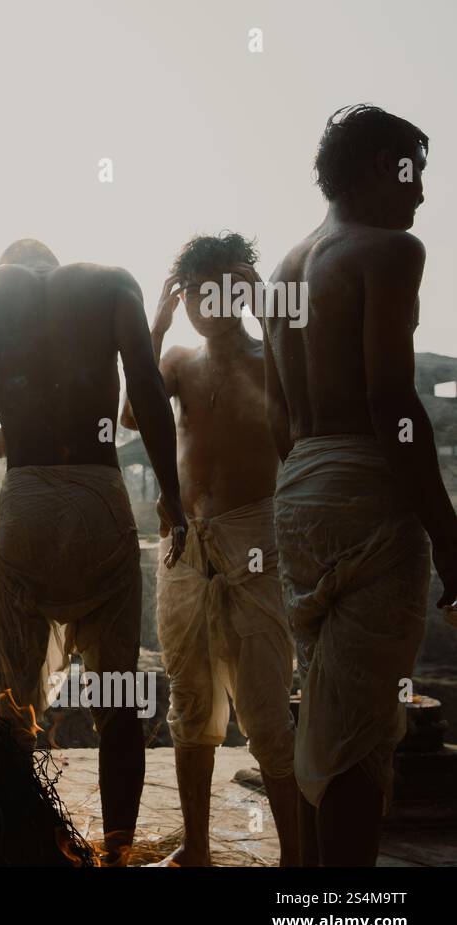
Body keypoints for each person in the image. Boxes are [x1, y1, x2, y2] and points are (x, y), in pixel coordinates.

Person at [0, 244, 186, 863]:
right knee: (119, 695)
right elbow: (148, 385)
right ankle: (119, 849)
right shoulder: (110, 280)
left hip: (26, 507)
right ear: (51, 260)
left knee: (13, 698)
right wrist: (174, 499)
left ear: (15, 262)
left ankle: (15, 844)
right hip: (99, 498)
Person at [263, 105, 457, 865]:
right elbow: (390, 400)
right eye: (415, 174)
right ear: (380, 164)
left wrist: (310, 492)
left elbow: (278, 412)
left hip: (301, 487)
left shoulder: (285, 268)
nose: (420, 196)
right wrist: (447, 531)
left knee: (324, 716)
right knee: (362, 734)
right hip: (363, 484)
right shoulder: (389, 251)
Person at [121, 232, 298, 866]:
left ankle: (295, 859)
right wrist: (154, 330)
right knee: (190, 700)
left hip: (257, 541)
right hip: (186, 546)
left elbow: (292, 416)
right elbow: (132, 414)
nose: (210, 302)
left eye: (224, 288)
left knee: (267, 708)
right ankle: (195, 848)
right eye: (196, 291)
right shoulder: (177, 363)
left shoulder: (271, 355)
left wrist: (265, 312)